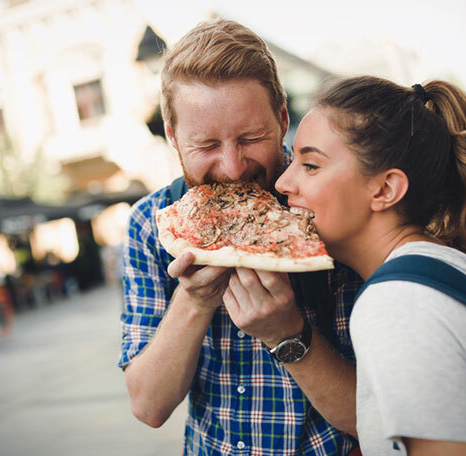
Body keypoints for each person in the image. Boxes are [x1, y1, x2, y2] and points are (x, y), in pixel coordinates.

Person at [264, 75, 466, 455]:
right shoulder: (441, 267)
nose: (283, 181)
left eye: (310, 165)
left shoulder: (396, 306)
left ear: (386, 189)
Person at [119, 19, 362, 456]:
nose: (232, 168)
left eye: (250, 138)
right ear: (173, 137)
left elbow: (373, 416)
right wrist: (193, 301)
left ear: (283, 117)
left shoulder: (330, 205)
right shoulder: (149, 222)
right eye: (207, 145)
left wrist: (288, 333)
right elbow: (149, 405)